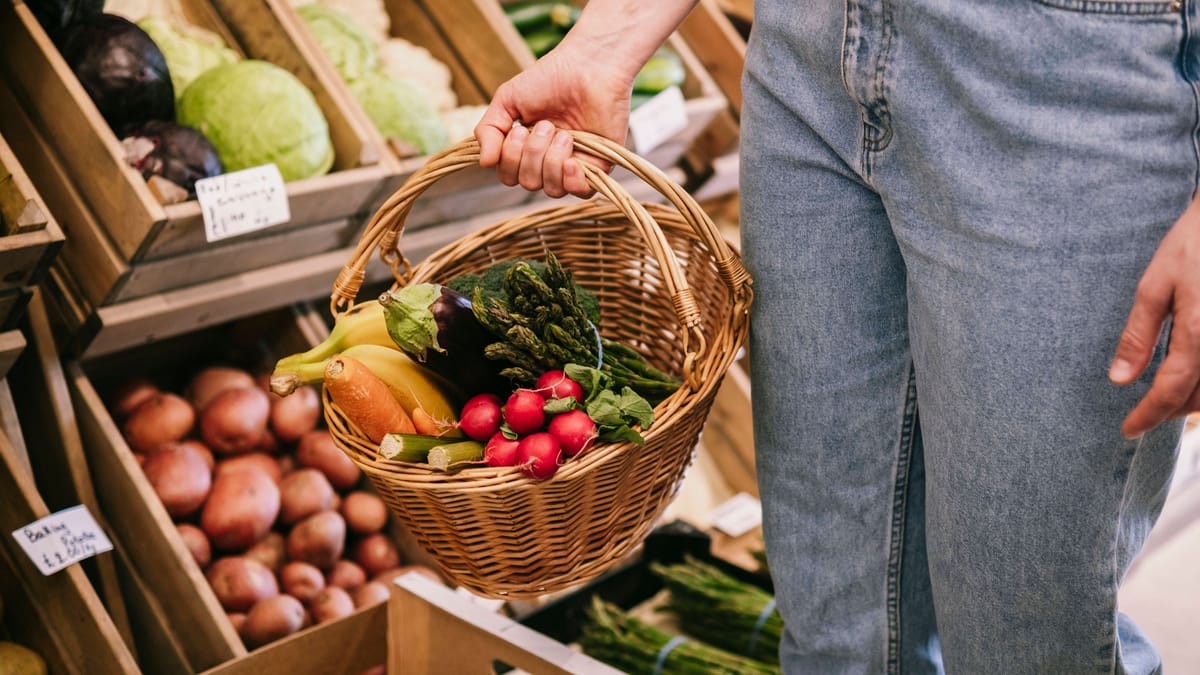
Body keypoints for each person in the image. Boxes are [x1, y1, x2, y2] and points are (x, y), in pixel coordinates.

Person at [474, 2, 1200, 672]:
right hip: (807, 46)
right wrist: (607, 43)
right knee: (834, 633)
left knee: (1029, 642)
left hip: (1061, 70)